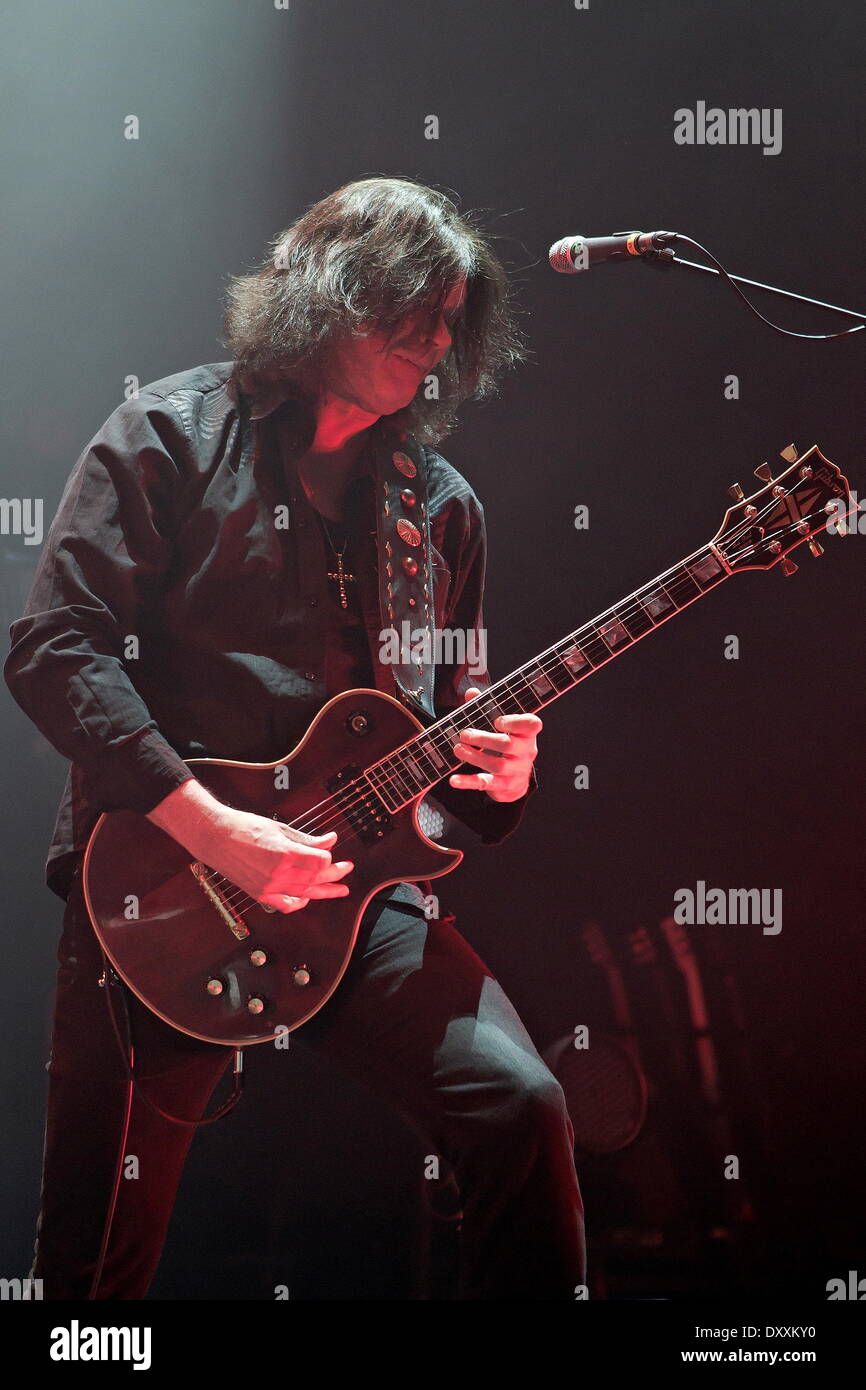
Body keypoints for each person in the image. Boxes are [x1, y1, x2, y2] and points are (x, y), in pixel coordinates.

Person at [5, 175, 586, 1299]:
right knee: (96, 1265)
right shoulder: (171, 435)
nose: (432, 337)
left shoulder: (441, 508)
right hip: (166, 887)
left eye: (450, 314)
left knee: (519, 1105)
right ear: (321, 299)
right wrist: (212, 828)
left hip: (357, 898)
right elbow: (54, 651)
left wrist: (500, 776)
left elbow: (447, 761)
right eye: (408, 305)